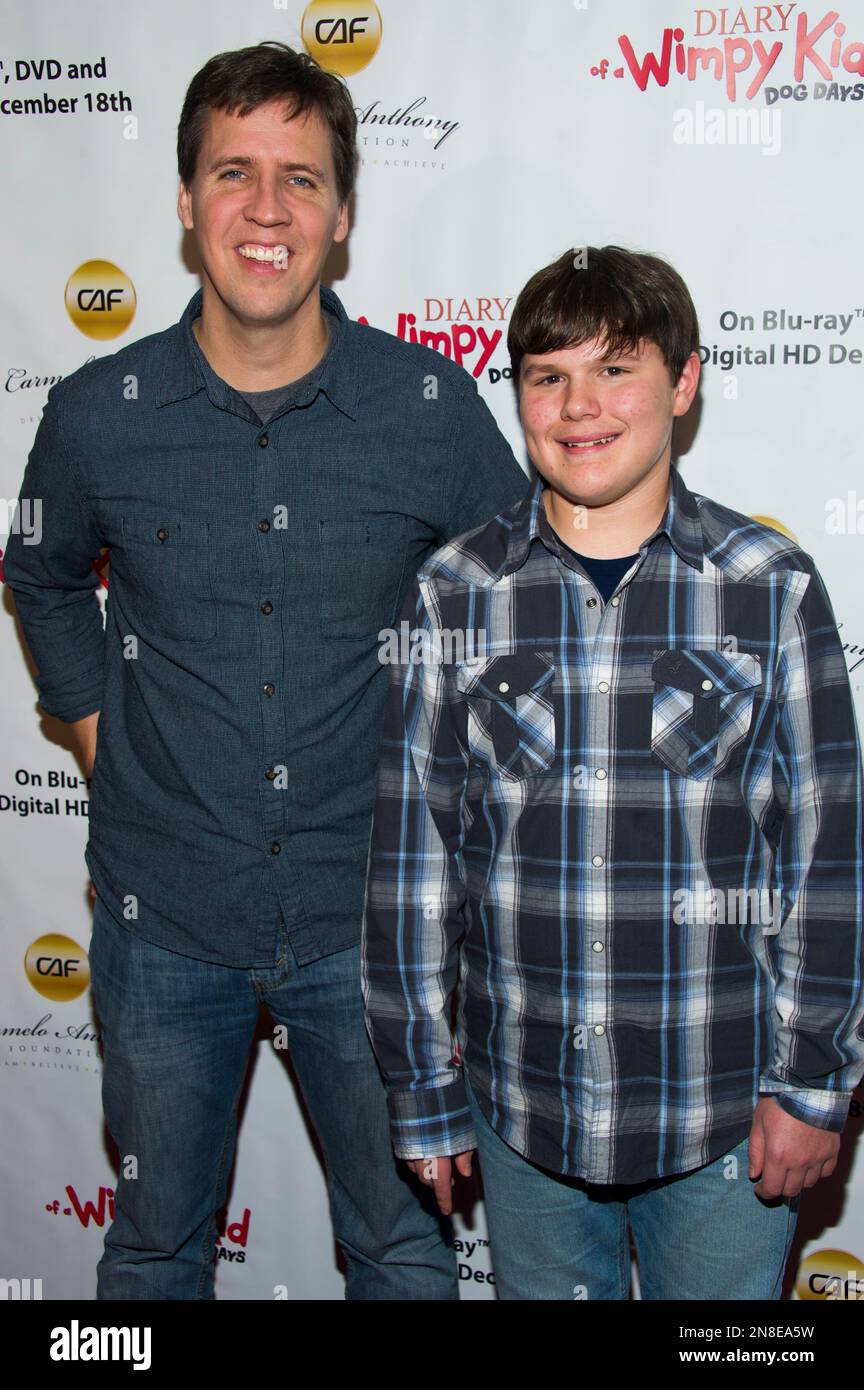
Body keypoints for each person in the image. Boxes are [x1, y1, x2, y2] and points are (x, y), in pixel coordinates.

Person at [2, 41, 529, 1301]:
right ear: (185, 202)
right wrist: (88, 725)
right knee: (148, 1252)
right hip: (162, 921)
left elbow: (517, 605)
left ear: (342, 214)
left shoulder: (426, 406)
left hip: (377, 931)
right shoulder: (93, 412)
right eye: (234, 172)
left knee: (405, 1249)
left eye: (302, 178)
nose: (269, 208)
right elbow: (39, 568)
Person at [361, 244, 864, 1300]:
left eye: (616, 368)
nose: (579, 405)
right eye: (548, 375)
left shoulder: (769, 589)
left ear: (682, 383)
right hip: (523, 1114)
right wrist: (421, 1082)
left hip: (726, 1115)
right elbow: (416, 858)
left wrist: (816, 1080)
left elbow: (828, 853)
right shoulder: (455, 594)